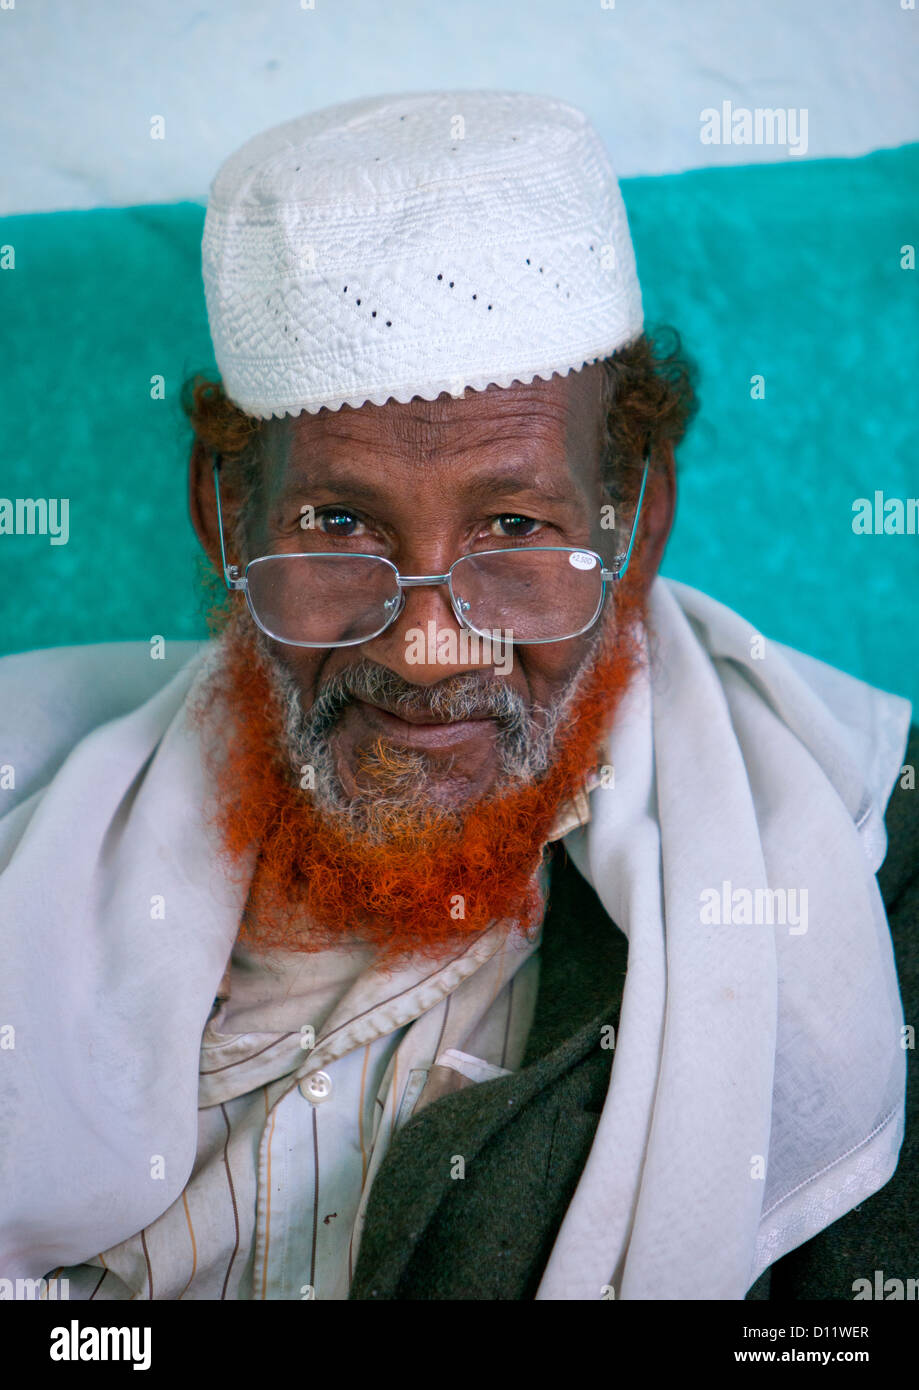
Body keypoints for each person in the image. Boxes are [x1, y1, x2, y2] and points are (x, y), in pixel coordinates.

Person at [0, 90, 914, 1302]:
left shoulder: (863, 863)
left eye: (513, 526)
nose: (428, 642)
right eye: (337, 523)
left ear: (634, 526)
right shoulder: (32, 829)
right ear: (223, 512)